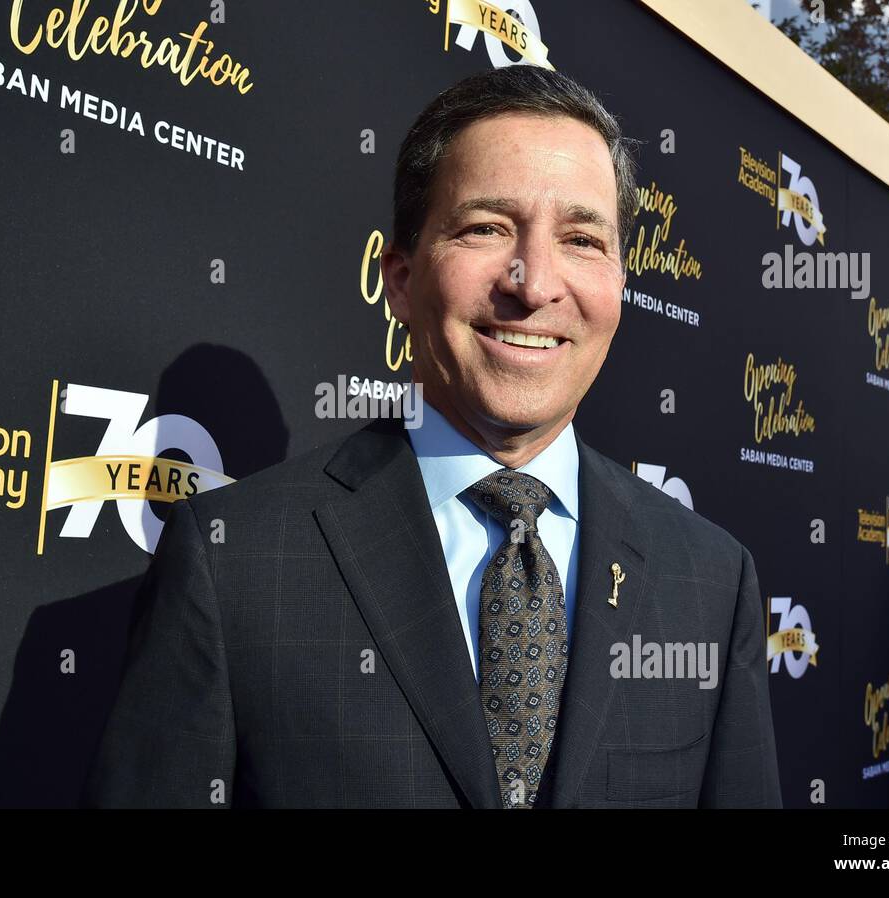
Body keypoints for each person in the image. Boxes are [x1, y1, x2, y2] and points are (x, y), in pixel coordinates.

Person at [82, 65, 782, 809]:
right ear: (402, 278)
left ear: (618, 282)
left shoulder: (711, 578)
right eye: (486, 228)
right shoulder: (231, 563)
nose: (534, 282)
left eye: (581, 238)